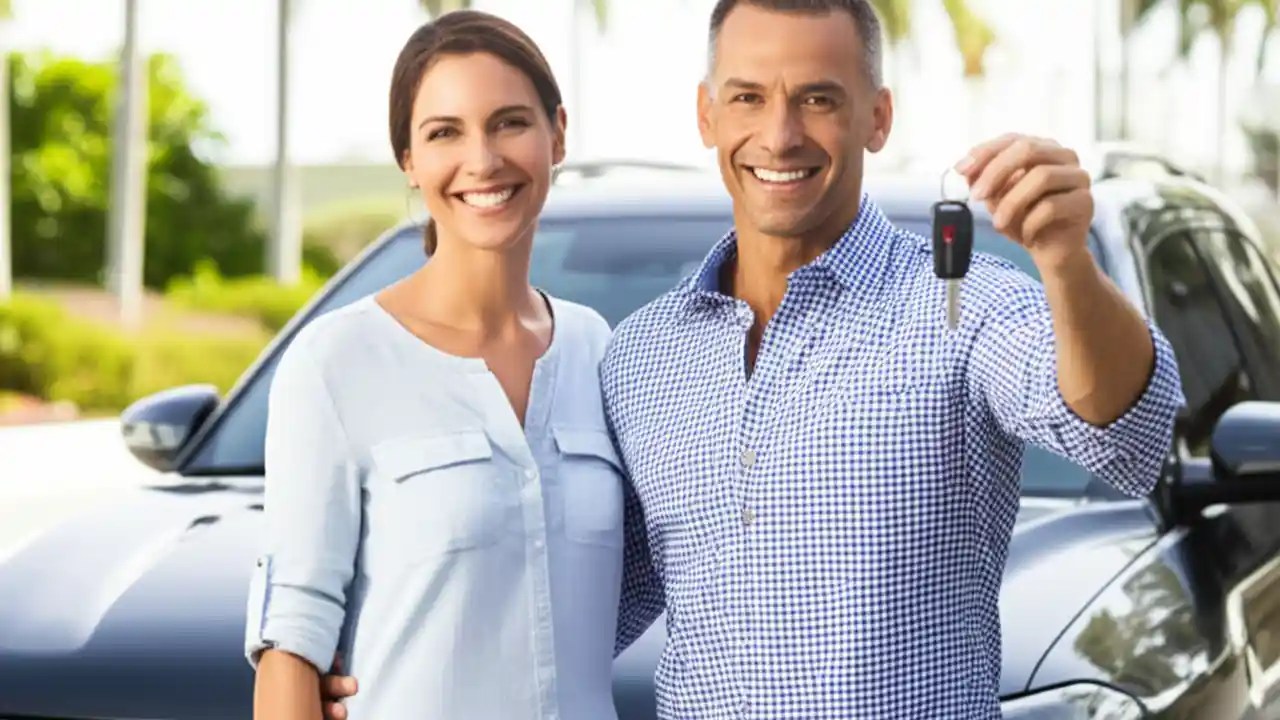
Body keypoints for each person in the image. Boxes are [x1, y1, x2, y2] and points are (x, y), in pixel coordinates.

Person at [320, 1, 1185, 718]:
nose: (779, 135)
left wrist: (1068, 263)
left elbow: (1121, 430)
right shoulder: (641, 357)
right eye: (747, 98)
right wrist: (366, 663)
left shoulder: (962, 306)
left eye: (818, 98)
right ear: (707, 114)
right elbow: (579, 600)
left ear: (876, 117)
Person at [243, 10, 628, 720]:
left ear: (558, 134)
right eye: (444, 132)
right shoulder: (336, 364)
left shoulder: (596, 352)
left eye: (510, 122)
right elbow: (291, 642)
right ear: (409, 161)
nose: (482, 160)